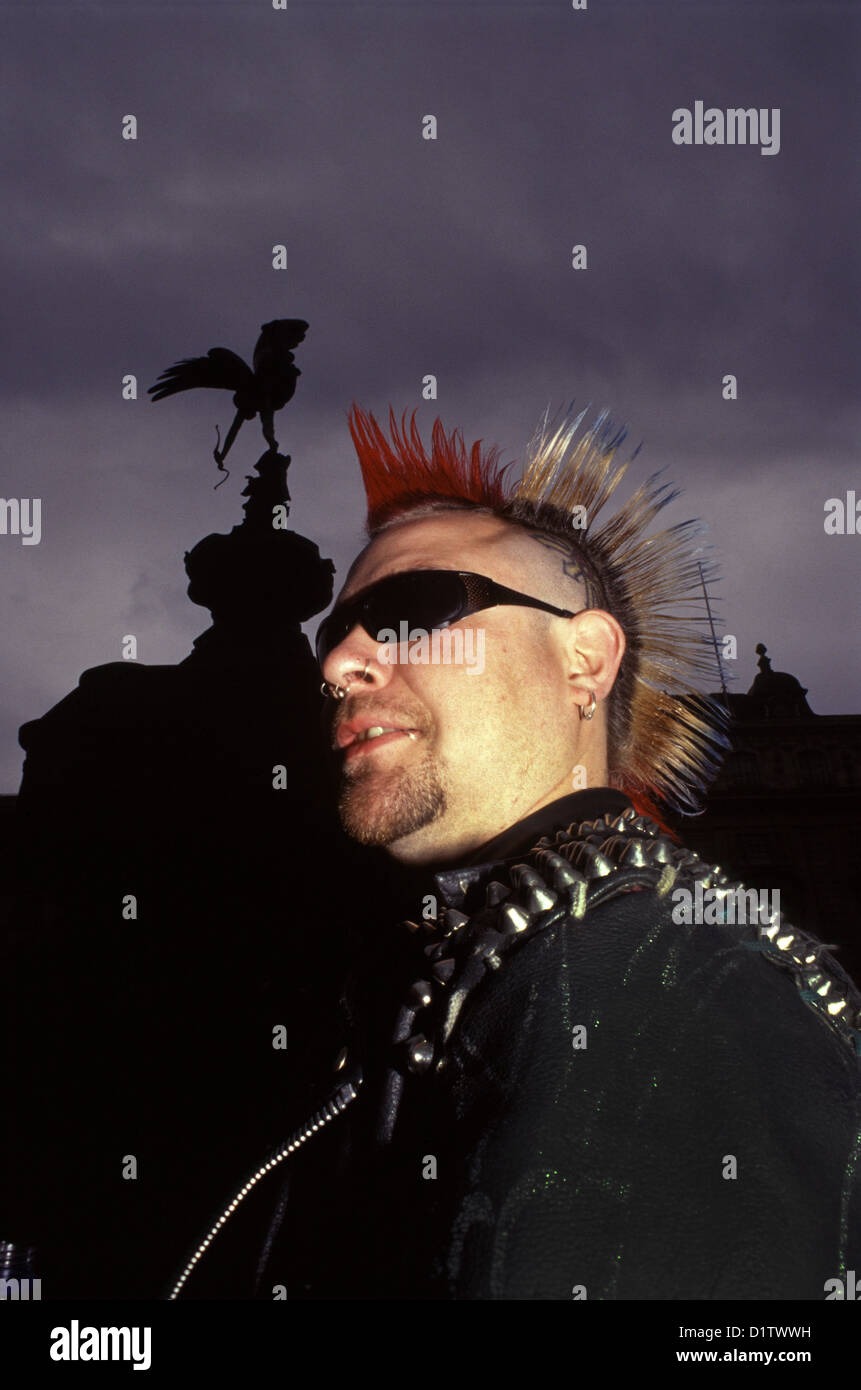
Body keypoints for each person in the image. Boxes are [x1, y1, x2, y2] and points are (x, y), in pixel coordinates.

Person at [168, 403, 861, 1301]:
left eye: (412, 610)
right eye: (331, 633)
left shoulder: (648, 981)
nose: (340, 660)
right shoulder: (452, 977)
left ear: (584, 661)